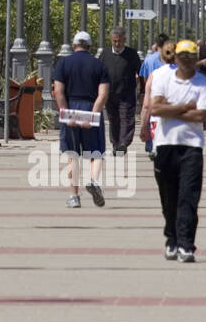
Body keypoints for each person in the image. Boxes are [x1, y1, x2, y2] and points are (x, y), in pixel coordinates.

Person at [149, 40, 206, 262]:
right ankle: (172, 240)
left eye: (190, 57)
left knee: (188, 197)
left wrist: (170, 110)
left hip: (191, 147)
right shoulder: (162, 78)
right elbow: (155, 108)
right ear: (175, 58)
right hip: (165, 145)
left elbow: (201, 115)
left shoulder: (204, 84)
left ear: (196, 59)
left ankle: (186, 244)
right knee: (168, 199)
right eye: (182, 56)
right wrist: (186, 107)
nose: (186, 61)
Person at [53, 31, 112, 207]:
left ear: (73, 46)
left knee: (72, 154)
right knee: (96, 152)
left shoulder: (63, 63)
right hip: (90, 107)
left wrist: (65, 113)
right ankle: (93, 181)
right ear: (90, 46)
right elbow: (103, 94)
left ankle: (74, 196)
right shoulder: (99, 65)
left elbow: (58, 91)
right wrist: (93, 114)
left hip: (71, 106)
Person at [98, 25, 141, 154]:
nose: (117, 43)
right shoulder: (105, 54)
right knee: (113, 119)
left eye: (119, 41)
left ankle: (123, 143)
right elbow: (99, 72)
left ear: (124, 40)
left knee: (126, 118)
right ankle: (115, 144)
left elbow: (141, 73)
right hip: (110, 93)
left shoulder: (132, 54)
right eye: (114, 41)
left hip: (126, 93)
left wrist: (142, 90)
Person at [139, 40, 177, 158]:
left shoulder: (154, 75)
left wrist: (144, 127)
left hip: (158, 122)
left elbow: (146, 105)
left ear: (162, 57)